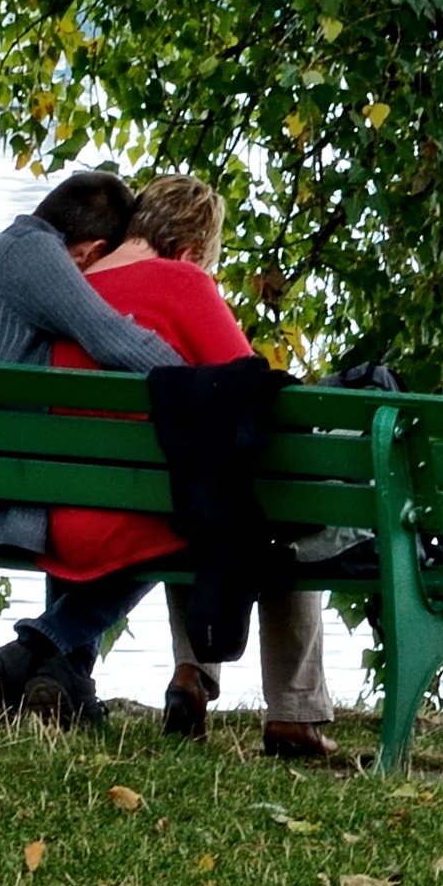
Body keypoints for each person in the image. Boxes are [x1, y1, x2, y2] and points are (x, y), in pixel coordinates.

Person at [46, 175, 339, 760]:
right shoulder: (181, 282)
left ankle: (192, 675)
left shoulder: (67, 288)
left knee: (198, 486)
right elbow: (253, 391)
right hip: (155, 514)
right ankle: (294, 714)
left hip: (70, 510)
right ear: (186, 253)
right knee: (277, 507)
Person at [0, 171, 180, 726]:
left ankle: (66, 681)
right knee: (178, 515)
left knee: (84, 488)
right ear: (93, 250)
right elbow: (114, 338)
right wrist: (204, 385)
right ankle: (36, 652)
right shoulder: (37, 258)